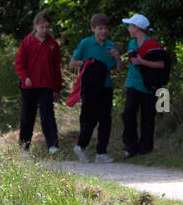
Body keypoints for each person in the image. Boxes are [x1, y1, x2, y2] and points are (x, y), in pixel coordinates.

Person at [69, 13, 123, 163]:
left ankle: (101, 152)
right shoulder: (86, 43)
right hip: (89, 87)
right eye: (100, 28)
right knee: (88, 119)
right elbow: (72, 62)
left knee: (106, 120)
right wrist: (89, 63)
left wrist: (118, 57)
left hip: (106, 87)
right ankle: (80, 147)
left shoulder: (111, 45)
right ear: (93, 29)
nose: (103, 31)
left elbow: (120, 69)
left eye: (106, 28)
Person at [14, 12, 64, 155]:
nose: (45, 30)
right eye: (42, 27)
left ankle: (53, 146)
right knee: (27, 115)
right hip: (29, 85)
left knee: (47, 114)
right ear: (36, 26)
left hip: (46, 84)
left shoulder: (53, 44)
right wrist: (25, 77)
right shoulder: (28, 42)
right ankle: (24, 147)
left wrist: (57, 89)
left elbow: (56, 68)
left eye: (47, 27)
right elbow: (19, 63)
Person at [120, 13, 164, 158]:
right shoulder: (131, 44)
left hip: (148, 85)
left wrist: (142, 62)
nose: (128, 29)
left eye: (130, 26)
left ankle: (145, 148)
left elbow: (161, 64)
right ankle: (130, 146)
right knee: (128, 113)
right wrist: (127, 81)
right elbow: (132, 65)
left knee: (147, 117)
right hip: (133, 83)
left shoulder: (152, 44)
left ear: (137, 28)